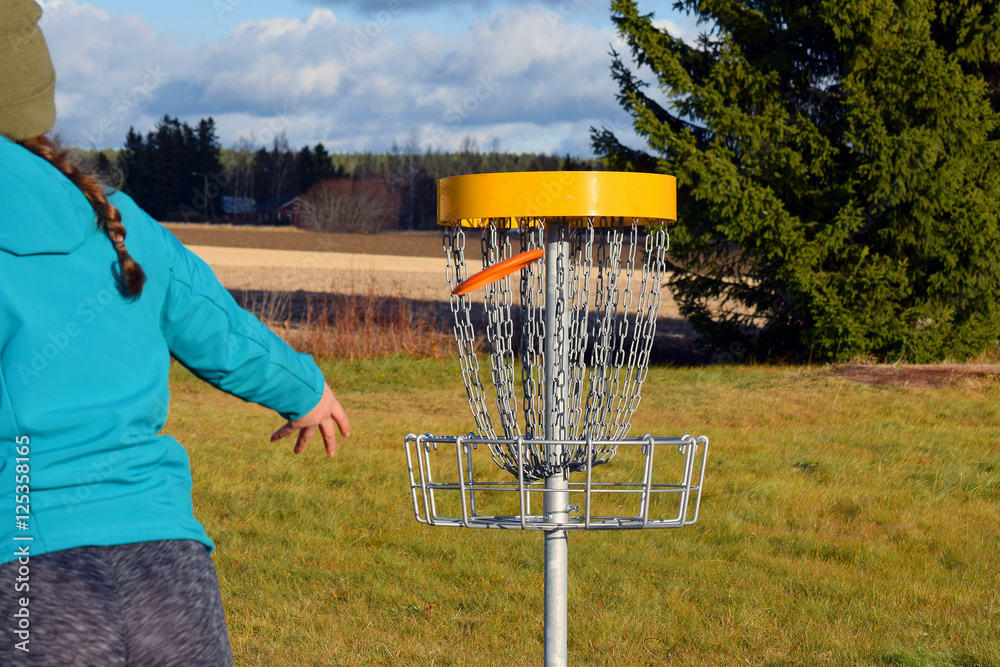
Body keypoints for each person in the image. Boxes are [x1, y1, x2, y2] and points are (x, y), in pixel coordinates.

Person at [0, 1, 350, 663]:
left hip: (29, 573)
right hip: (168, 563)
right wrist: (305, 388)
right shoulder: (113, 216)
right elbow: (215, 323)